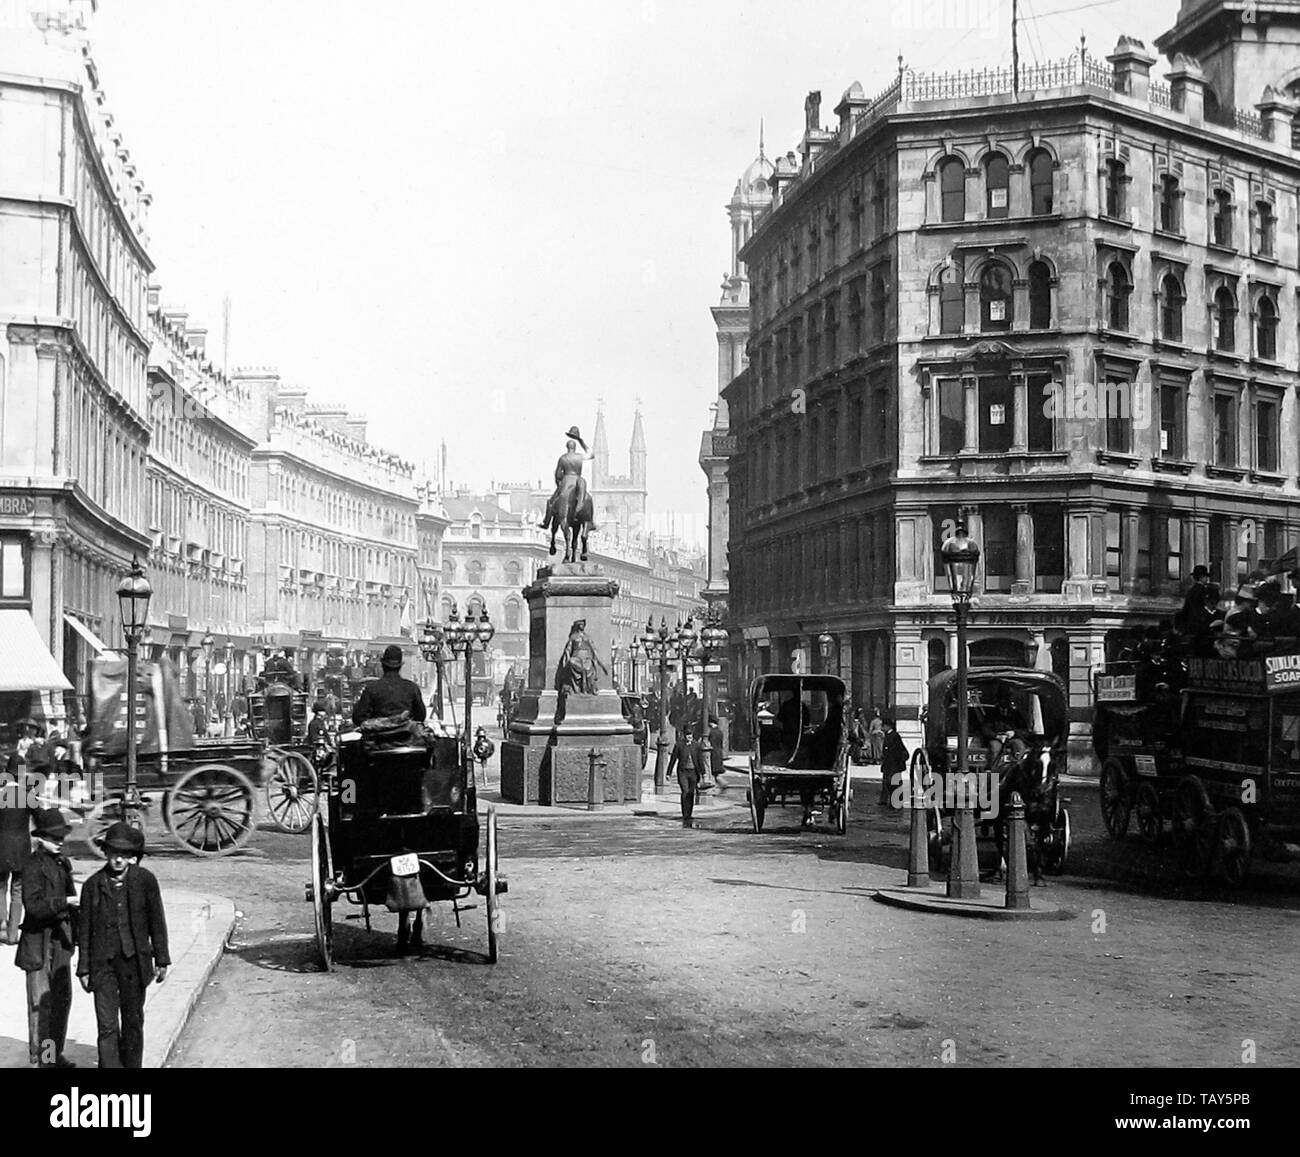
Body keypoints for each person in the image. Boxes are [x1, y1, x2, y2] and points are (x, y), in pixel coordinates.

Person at [77, 822, 170, 1069]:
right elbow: (84, 931)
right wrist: (83, 968)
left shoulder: (145, 881)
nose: (118, 860)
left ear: (132, 857)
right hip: (102, 964)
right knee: (106, 1024)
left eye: (124, 855)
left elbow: (156, 922)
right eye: (113, 853)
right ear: (105, 853)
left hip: (134, 963)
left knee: (132, 1020)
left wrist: (162, 959)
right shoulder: (92, 886)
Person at [16, 808, 77, 1068]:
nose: (60, 841)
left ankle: (55, 1054)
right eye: (54, 837)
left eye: (61, 836)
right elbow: (34, 906)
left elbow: (74, 905)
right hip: (38, 942)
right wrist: (65, 902)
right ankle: (43, 1059)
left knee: (62, 1000)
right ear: (40, 838)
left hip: (59, 940)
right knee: (41, 1004)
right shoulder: (31, 865)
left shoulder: (63, 863)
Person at [351, 645, 427, 725]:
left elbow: (358, 717)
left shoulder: (372, 688)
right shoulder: (412, 688)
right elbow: (421, 716)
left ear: (383, 666)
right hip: (405, 735)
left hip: (377, 736)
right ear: (400, 666)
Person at [0, 760, 30, 944]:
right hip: (21, 851)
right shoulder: (26, 795)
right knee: (18, 890)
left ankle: (1, 926)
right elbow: (42, 818)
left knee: (0, 887)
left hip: (0, 848)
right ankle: (12, 934)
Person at [667, 725, 701, 828]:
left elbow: (700, 761)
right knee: (685, 791)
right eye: (687, 735)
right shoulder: (679, 745)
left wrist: (703, 773)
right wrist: (668, 772)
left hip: (693, 772)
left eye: (690, 735)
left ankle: (689, 813)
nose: (689, 736)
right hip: (683, 772)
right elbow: (673, 759)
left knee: (691, 793)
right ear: (684, 735)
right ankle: (684, 813)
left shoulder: (696, 745)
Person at [878, 717, 910, 807]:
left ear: (887, 726)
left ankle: (896, 802)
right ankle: (888, 801)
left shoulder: (894, 736)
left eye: (883, 726)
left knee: (894, 783)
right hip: (889, 764)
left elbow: (898, 751)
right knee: (888, 782)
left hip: (894, 764)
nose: (882, 728)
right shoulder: (888, 735)